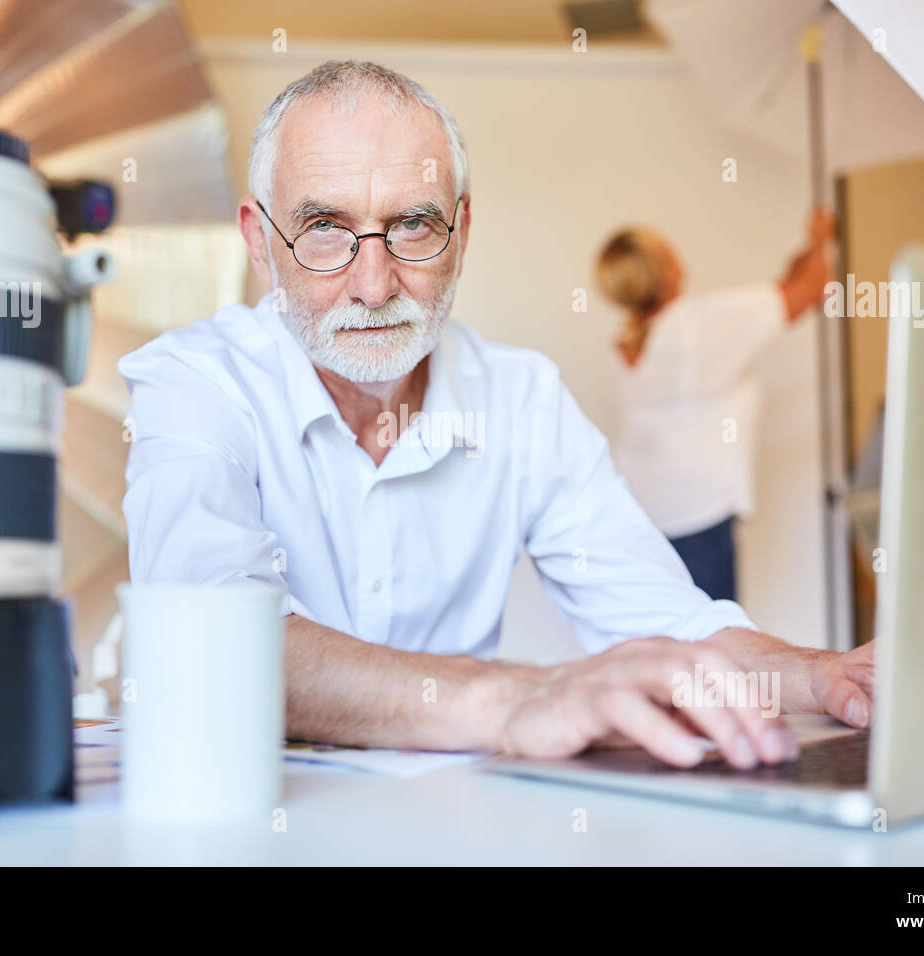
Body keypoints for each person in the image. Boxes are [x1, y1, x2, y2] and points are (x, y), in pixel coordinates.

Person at [119, 60, 873, 771]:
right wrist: (515, 698)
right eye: (325, 229)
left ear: (463, 230)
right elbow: (213, 640)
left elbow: (666, 621)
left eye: (413, 224)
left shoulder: (522, 398)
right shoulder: (192, 383)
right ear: (259, 241)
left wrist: (821, 673)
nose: (374, 284)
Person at [594, 213, 834, 601]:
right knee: (713, 651)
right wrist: (822, 238)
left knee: (667, 649)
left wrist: (809, 249)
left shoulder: (633, 341)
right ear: (664, 264)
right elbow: (807, 288)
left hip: (642, 519)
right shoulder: (698, 327)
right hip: (696, 523)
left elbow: (785, 289)